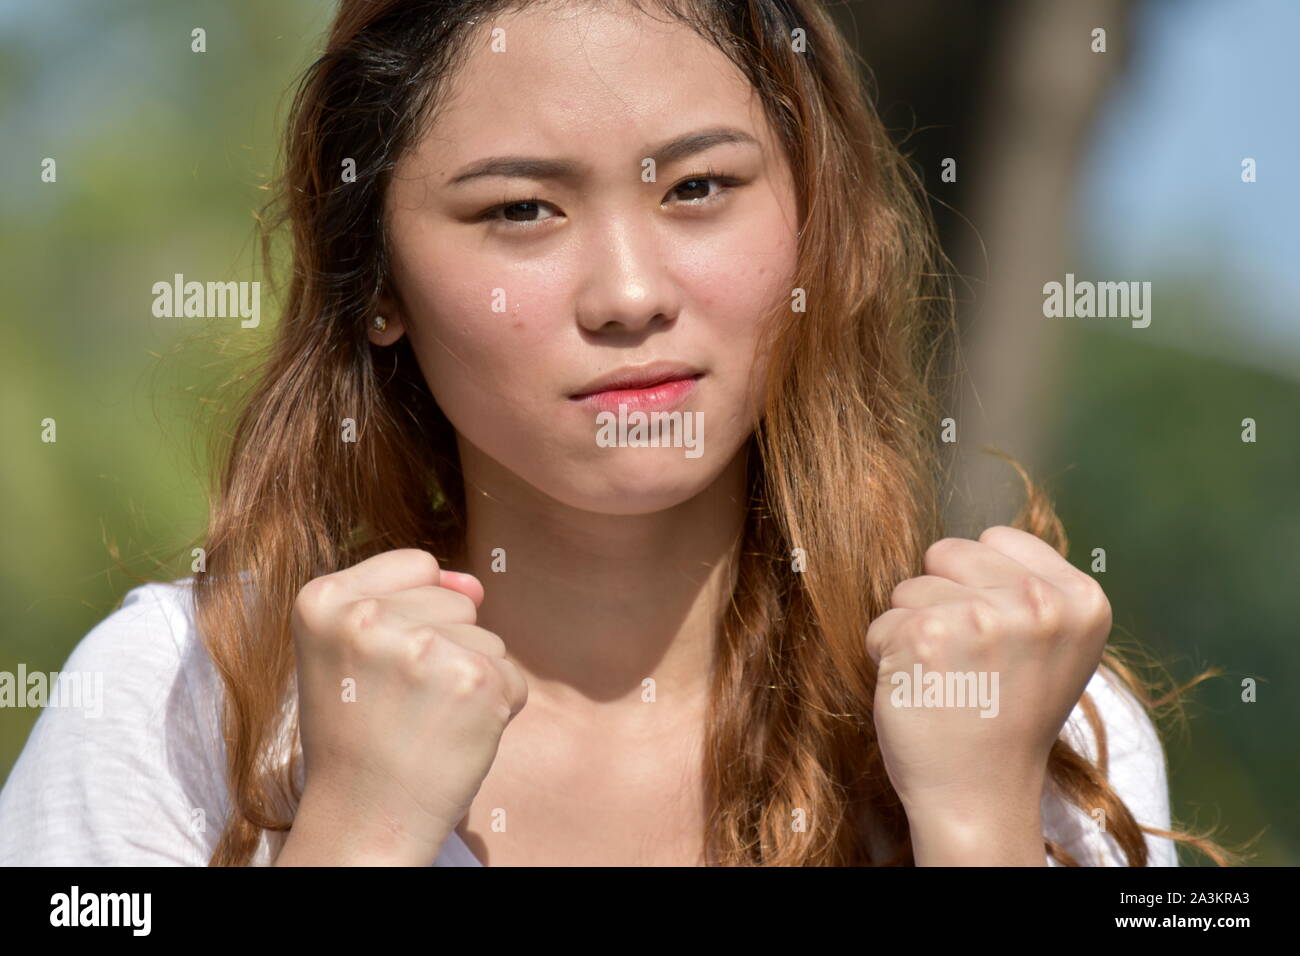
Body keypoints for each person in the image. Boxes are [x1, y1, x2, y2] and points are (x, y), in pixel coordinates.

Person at [0, 0, 1225, 867]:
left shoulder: (1030, 710)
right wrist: (359, 831)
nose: (630, 292)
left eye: (698, 188)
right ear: (374, 277)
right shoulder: (181, 697)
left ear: (817, 221)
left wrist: (972, 825)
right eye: (520, 209)